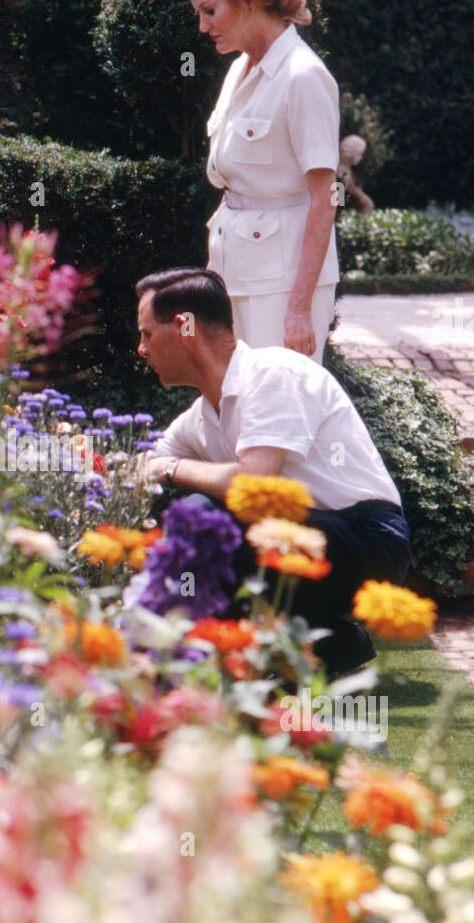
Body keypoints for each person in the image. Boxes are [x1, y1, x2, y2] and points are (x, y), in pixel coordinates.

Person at [135, 267, 411, 676]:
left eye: (146, 333)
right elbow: (145, 467)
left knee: (200, 512)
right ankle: (325, 644)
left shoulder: (273, 373)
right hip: (307, 535)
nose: (141, 349)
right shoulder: (202, 416)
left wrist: (171, 468)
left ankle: (235, 650)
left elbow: (254, 482)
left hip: (367, 543)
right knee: (188, 513)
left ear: (184, 328)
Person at [176, 0, 339, 362]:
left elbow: (325, 199)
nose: (202, 25)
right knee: (235, 409)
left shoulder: (302, 77)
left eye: (210, 9)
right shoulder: (240, 70)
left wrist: (300, 309)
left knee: (282, 413)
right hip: (233, 273)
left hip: (282, 287)